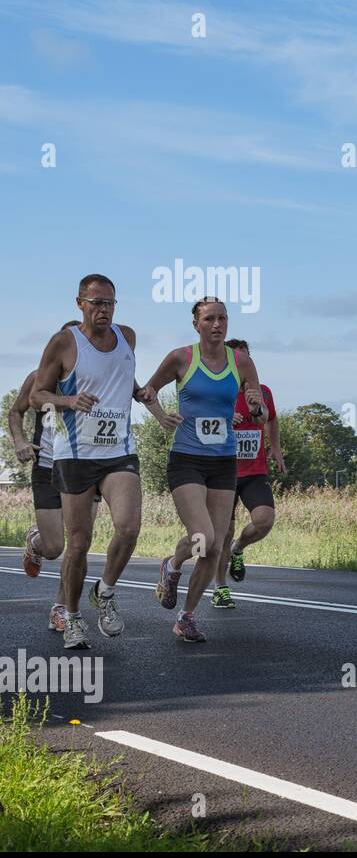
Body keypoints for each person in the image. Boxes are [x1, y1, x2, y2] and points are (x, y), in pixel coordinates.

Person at [30, 276, 170, 648]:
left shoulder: (128, 337)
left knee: (128, 527)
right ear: (80, 303)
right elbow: (36, 394)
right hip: (75, 455)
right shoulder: (64, 342)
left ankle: (105, 591)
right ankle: (72, 617)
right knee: (78, 544)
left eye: (110, 303)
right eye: (97, 303)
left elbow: (124, 377)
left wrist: (150, 404)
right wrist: (68, 400)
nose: (104, 310)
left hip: (118, 450)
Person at [143, 298, 265, 642]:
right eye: (209, 319)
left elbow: (261, 414)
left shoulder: (241, 362)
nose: (217, 324)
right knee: (204, 537)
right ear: (196, 325)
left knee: (215, 547)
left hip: (224, 462)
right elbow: (147, 391)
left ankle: (186, 617)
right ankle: (173, 564)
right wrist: (160, 415)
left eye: (222, 318)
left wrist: (256, 408)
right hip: (187, 459)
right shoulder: (181, 357)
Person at [8, 322, 101, 629]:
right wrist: (21, 441)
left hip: (85, 468)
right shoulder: (38, 380)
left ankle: (61, 608)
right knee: (54, 548)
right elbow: (15, 412)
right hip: (47, 467)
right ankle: (36, 542)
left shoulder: (97, 379)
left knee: (79, 545)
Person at [211, 339, 283, 608]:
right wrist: (223, 421)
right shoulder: (217, 393)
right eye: (236, 360)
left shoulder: (262, 392)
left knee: (264, 520)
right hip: (222, 471)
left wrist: (275, 448)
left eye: (246, 359)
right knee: (222, 532)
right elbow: (198, 425)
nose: (242, 365)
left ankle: (238, 549)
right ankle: (220, 587)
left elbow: (272, 418)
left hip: (254, 471)